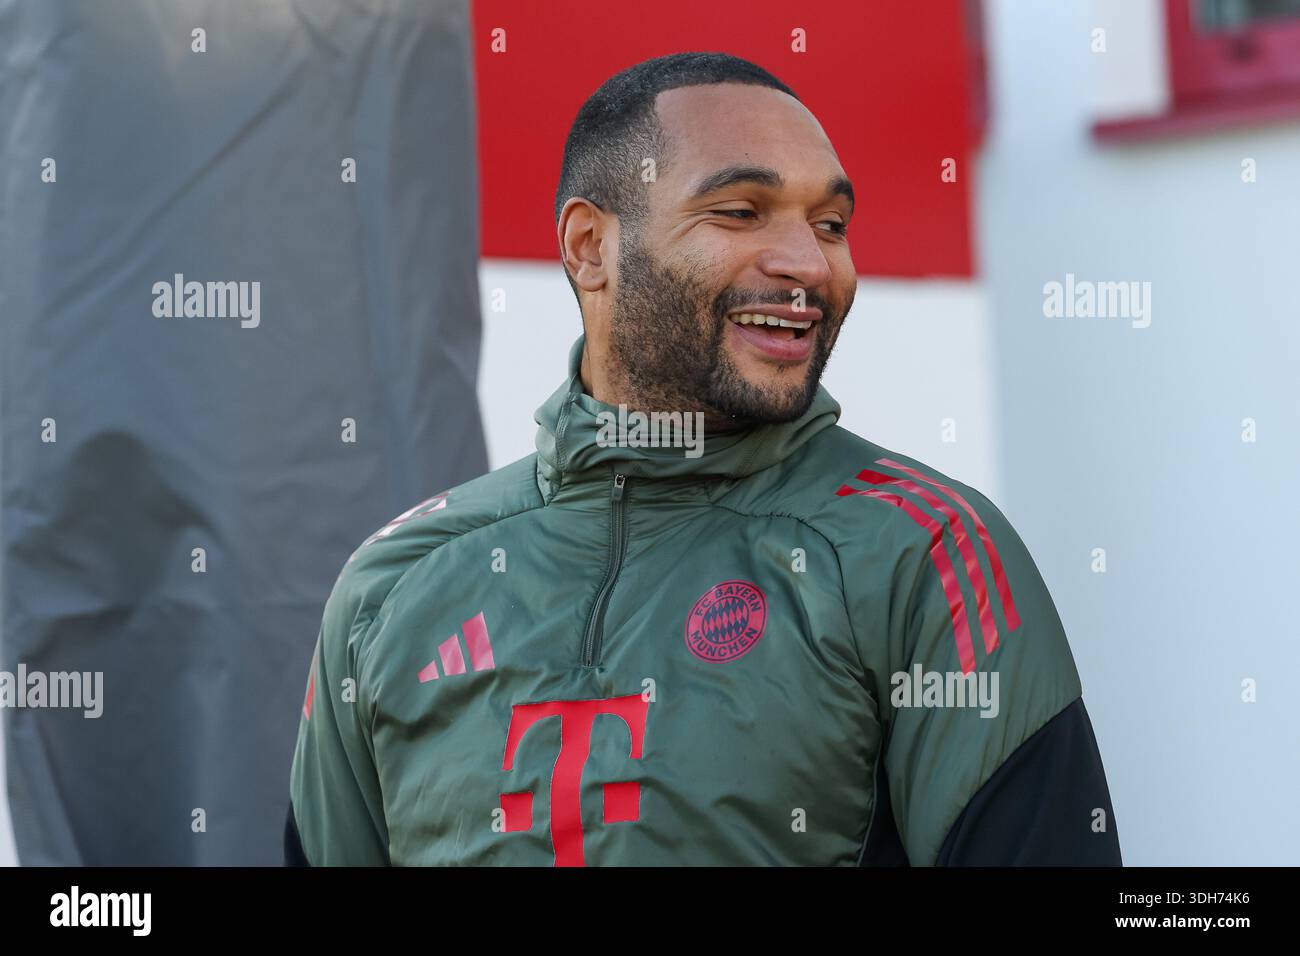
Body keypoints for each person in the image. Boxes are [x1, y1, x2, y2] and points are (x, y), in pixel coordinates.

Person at [285, 51, 1121, 866]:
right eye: (741, 212)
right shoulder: (391, 585)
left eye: (830, 224)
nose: (807, 264)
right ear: (589, 248)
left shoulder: (927, 552)